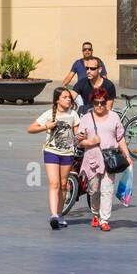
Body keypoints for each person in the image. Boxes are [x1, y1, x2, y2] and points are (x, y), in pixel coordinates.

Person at [77, 87, 133, 233]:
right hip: (92, 159)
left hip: (110, 158)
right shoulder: (86, 118)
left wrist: (127, 155)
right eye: (96, 103)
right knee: (94, 189)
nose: (100, 106)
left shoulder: (114, 117)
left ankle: (104, 220)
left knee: (107, 189)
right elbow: (79, 141)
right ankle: (95, 214)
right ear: (92, 103)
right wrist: (90, 142)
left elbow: (120, 138)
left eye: (102, 102)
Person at [28, 87, 83, 229]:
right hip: (51, 151)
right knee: (54, 183)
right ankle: (53, 215)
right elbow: (31, 128)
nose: (68, 99)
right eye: (65, 97)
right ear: (57, 100)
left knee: (64, 185)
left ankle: (60, 214)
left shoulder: (74, 115)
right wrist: (46, 126)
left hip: (67, 153)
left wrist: (81, 137)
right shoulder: (48, 114)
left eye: (69, 97)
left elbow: (77, 135)